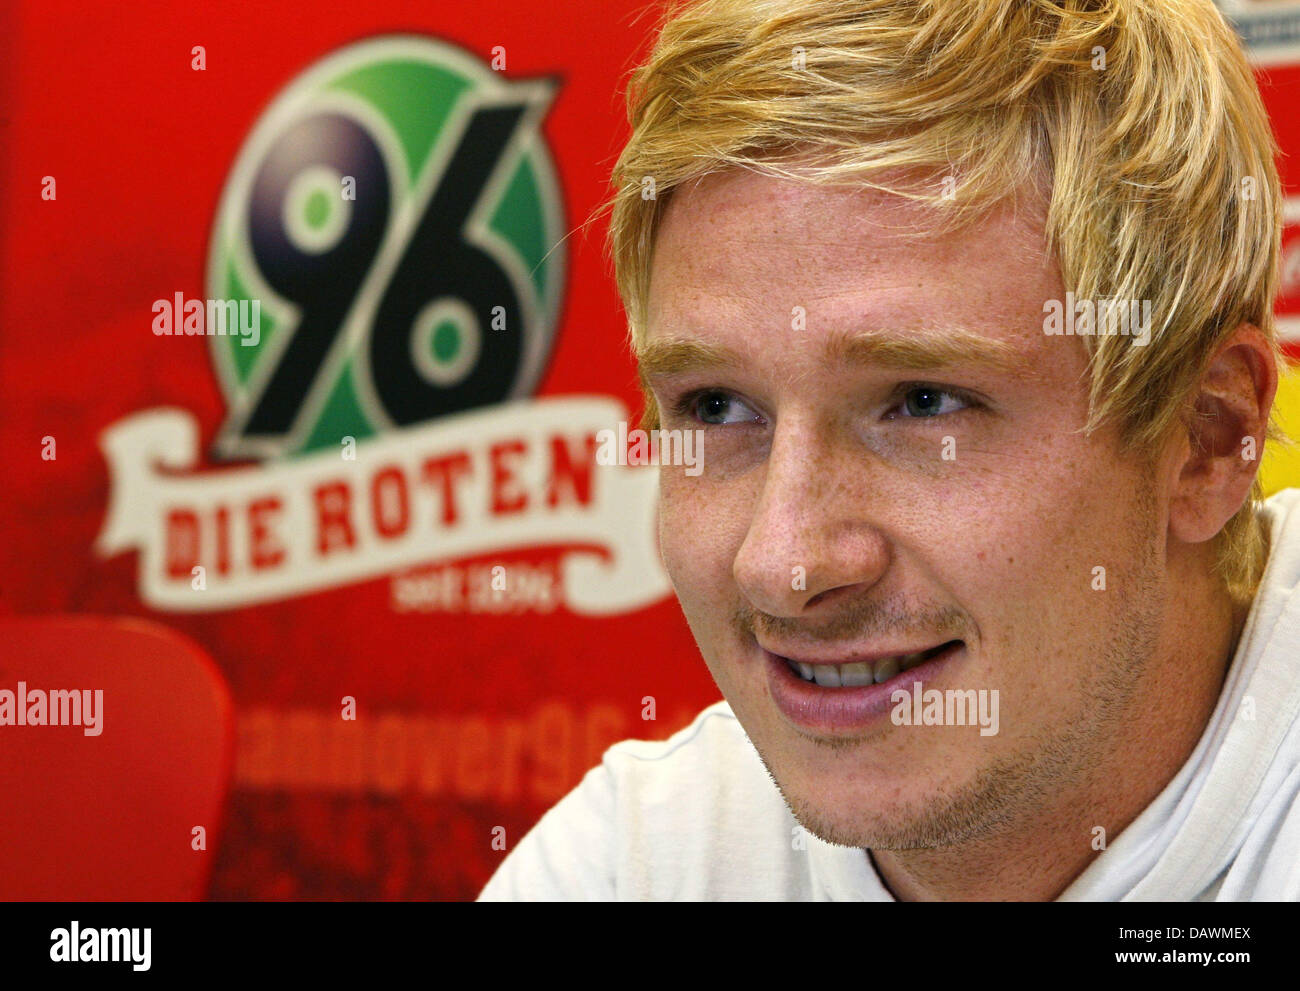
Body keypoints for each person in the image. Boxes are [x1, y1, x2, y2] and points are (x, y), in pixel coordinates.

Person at [479, 0, 1300, 900]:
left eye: (921, 403)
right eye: (717, 407)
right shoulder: (632, 867)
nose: (783, 563)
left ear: (1209, 439)